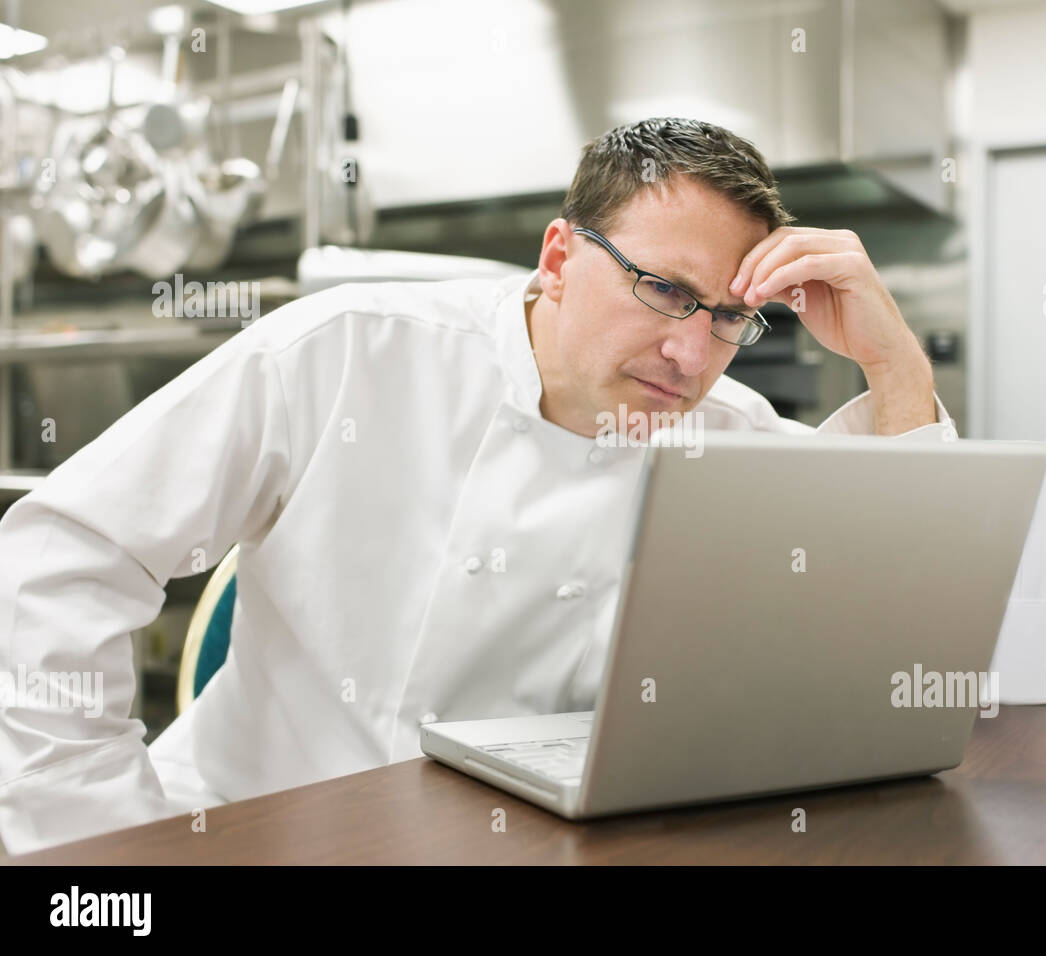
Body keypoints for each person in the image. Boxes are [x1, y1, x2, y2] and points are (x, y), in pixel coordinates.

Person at [0, 117, 955, 855]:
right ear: (557, 257)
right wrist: (105, 842)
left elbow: (897, 650)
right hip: (258, 832)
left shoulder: (727, 433)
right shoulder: (347, 352)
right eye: (665, 290)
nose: (691, 351)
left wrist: (895, 365)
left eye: (730, 318)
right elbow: (56, 560)